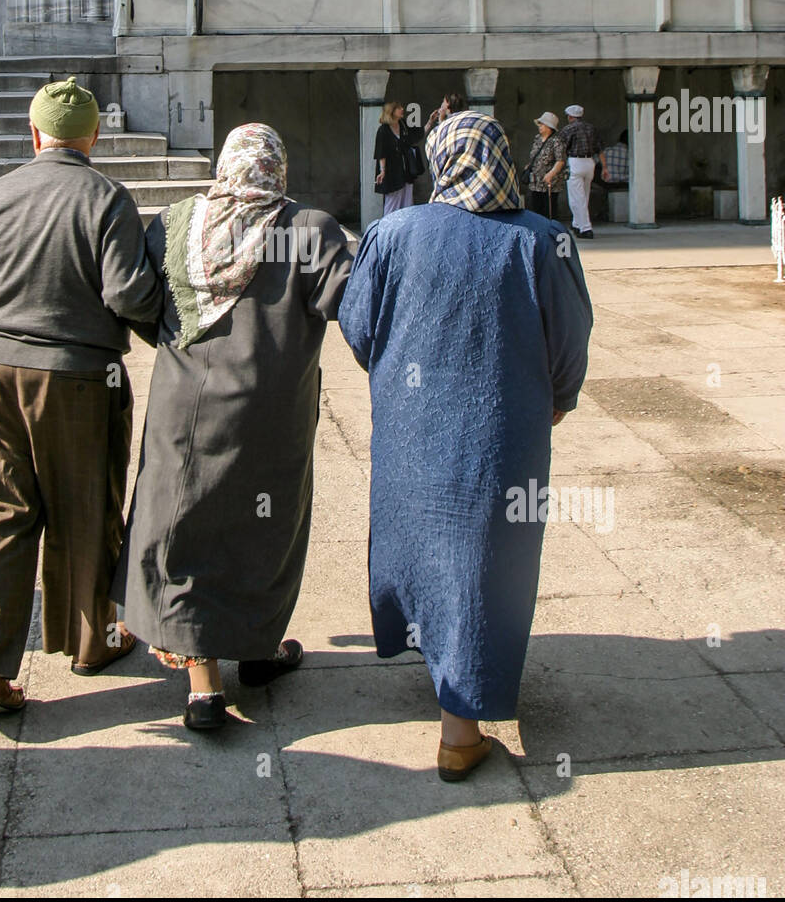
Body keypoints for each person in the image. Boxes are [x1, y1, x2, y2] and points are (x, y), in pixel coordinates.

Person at [339, 111, 592, 781]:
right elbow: (569, 342)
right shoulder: (544, 240)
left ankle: (453, 697)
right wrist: (558, 397)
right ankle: (460, 723)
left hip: (411, 427)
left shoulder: (392, 232)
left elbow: (359, 328)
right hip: (504, 429)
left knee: (424, 542)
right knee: (486, 558)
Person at [112, 123, 353, 731]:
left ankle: (203, 688)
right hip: (271, 417)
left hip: (182, 409)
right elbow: (354, 304)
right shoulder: (308, 229)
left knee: (185, 528)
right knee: (263, 530)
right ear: (278, 167)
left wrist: (180, 343)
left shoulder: (173, 223)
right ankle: (260, 646)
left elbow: (141, 304)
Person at [0, 77, 162, 715]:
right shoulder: (107, 197)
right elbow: (126, 293)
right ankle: (93, 642)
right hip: (76, 378)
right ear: (94, 137)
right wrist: (166, 326)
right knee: (86, 510)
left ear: (35, 135)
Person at [374, 101, 441, 215]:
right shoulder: (383, 130)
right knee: (392, 203)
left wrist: (430, 121)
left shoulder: (403, 125)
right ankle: (388, 229)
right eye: (399, 108)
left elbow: (417, 135)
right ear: (392, 111)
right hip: (392, 172)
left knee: (407, 203)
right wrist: (382, 171)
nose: (402, 109)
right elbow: (381, 153)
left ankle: (405, 230)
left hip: (406, 171)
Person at [560, 103, 605, 239]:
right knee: (584, 196)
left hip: (575, 162)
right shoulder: (591, 128)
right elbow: (600, 148)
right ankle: (577, 223)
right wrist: (605, 167)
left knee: (576, 199)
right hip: (590, 162)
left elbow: (561, 148)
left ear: (570, 116)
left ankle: (585, 228)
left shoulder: (568, 129)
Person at [523, 110, 568, 219]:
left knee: (549, 209)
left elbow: (560, 160)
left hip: (549, 183)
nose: (540, 126)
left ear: (549, 126)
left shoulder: (556, 141)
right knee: (536, 207)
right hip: (535, 181)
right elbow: (535, 155)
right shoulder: (537, 139)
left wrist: (551, 174)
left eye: (542, 124)